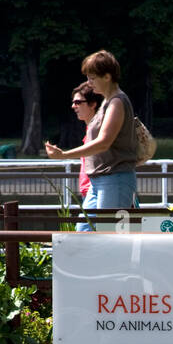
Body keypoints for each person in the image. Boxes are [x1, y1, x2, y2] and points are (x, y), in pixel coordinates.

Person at [45, 50, 137, 227]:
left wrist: (64, 155)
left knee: (108, 234)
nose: (88, 82)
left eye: (92, 78)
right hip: (98, 181)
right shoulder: (108, 101)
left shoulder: (117, 102)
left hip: (114, 179)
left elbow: (103, 143)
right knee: (83, 231)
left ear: (107, 77)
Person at [70, 80, 103, 231]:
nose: (73, 106)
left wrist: (62, 155)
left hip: (97, 191)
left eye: (78, 102)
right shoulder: (90, 129)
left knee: (83, 232)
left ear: (93, 104)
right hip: (90, 192)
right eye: (73, 102)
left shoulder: (99, 130)